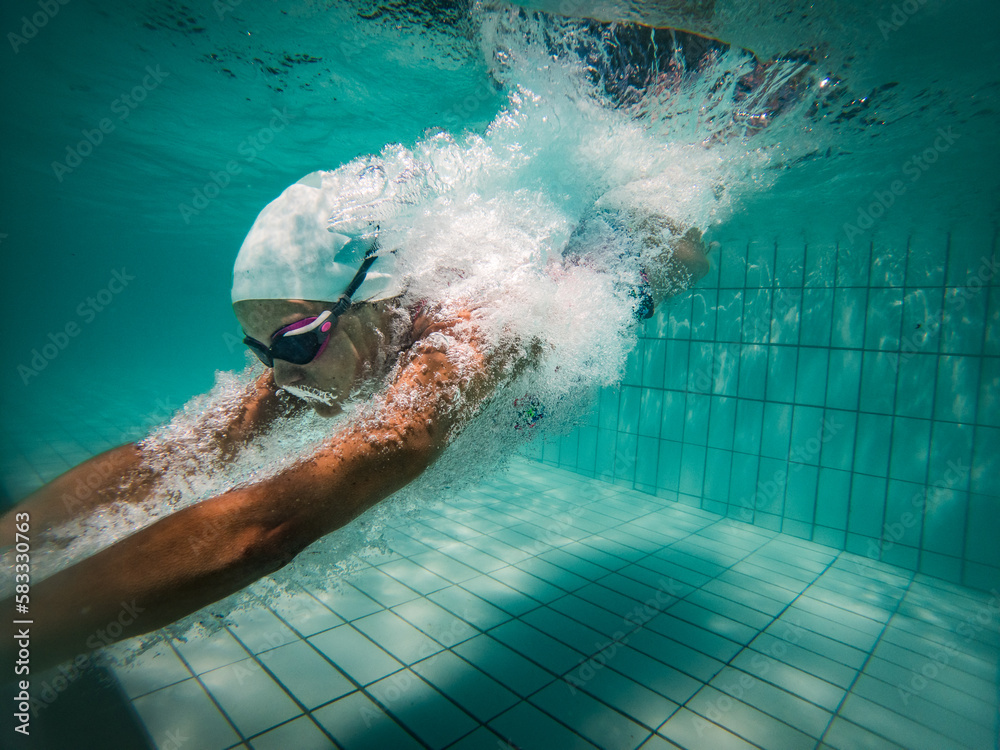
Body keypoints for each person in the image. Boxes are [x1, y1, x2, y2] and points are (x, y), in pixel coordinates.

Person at [1, 155, 709, 674]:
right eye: (262, 349)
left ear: (368, 301)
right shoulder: (335, 334)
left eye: (296, 343)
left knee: (674, 253)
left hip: (608, 275)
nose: (279, 375)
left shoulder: (469, 339)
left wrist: (20, 633)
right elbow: (169, 454)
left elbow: (267, 529)